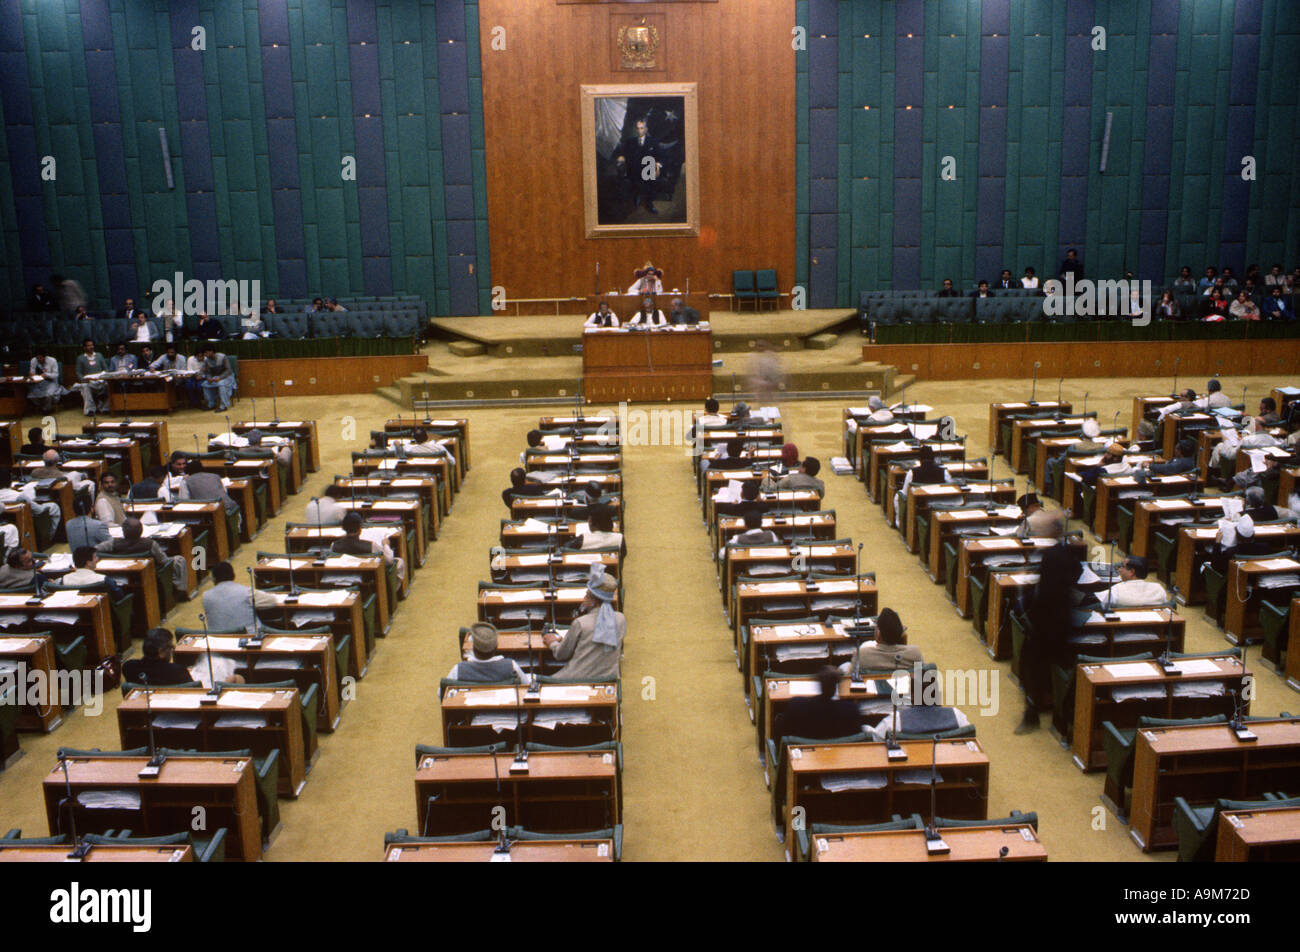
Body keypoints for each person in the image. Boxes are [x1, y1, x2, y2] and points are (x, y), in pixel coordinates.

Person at [1016, 543, 1084, 733]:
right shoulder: (1068, 587)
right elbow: (1077, 570)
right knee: (1059, 668)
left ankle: (1033, 713)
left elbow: (1026, 607)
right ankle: (1060, 713)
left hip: (1043, 630)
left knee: (1031, 669)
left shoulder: (1045, 586)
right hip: (1063, 629)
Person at [543, 567, 625, 680]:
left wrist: (552, 643)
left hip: (577, 678)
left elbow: (561, 654)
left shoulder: (580, 623)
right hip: (608, 678)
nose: (583, 599)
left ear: (593, 601)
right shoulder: (621, 619)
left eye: (586, 595)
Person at [96, 516, 189, 593]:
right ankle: (180, 591)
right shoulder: (150, 544)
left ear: (123, 532)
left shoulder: (113, 543)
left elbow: (96, 549)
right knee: (179, 559)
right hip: (152, 575)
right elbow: (164, 561)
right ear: (141, 530)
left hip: (123, 575)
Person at [773, 666, 862, 741]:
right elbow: (856, 738)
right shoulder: (851, 710)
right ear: (837, 686)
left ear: (819, 683)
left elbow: (784, 733)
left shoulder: (796, 705)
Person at [842, 608, 923, 674]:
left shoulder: (861, 654)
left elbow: (847, 679)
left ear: (878, 635)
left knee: (844, 666)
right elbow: (922, 679)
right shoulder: (915, 653)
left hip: (871, 693)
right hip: (902, 692)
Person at [202, 561, 276, 633]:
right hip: (248, 638)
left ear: (214, 579)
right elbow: (272, 601)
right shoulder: (246, 592)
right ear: (234, 575)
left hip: (218, 641)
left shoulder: (206, 596)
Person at [331, 511, 404, 582]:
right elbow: (389, 561)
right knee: (400, 561)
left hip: (344, 574)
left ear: (344, 528)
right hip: (370, 577)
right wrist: (386, 545)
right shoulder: (372, 545)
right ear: (360, 529)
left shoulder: (334, 545)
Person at [447, 622, 526, 683]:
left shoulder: (458, 669)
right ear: (496, 648)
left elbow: (442, 693)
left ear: (474, 649)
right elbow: (526, 685)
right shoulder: (512, 666)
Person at [615, 117, 661, 215]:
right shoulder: (630, 142)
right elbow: (624, 153)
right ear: (636, 129)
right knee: (633, 180)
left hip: (648, 169)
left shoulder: (653, 141)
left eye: (642, 128)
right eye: (638, 128)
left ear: (646, 129)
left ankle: (649, 204)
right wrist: (622, 157)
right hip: (634, 169)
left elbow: (659, 156)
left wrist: (657, 166)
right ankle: (635, 200)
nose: (640, 131)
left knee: (649, 175)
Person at [122, 628, 195, 687]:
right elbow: (195, 691)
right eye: (170, 647)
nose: (172, 649)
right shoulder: (178, 671)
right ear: (161, 652)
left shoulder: (129, 667)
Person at [181, 457, 241, 524]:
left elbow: (184, 502)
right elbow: (224, 492)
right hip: (232, 509)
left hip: (213, 516)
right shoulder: (216, 476)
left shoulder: (185, 481)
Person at [1099, 556, 1168, 609]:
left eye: (1123, 567)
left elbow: (1104, 607)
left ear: (1132, 572)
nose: (1119, 570)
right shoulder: (1158, 589)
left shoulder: (1116, 590)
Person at [74, 339, 110, 415]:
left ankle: (105, 408)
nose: (91, 347)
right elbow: (78, 372)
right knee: (85, 387)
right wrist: (83, 379)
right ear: (84, 348)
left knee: (109, 385)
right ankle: (90, 410)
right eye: (89, 345)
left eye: (92, 345)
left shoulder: (99, 355)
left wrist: (103, 376)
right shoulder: (80, 358)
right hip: (89, 382)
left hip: (100, 380)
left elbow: (106, 369)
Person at [27, 348, 66, 414]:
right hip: (38, 382)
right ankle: (42, 407)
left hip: (51, 381)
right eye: (37, 358)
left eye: (40, 358)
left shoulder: (52, 360)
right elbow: (32, 372)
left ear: (45, 357)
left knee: (48, 395)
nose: (39, 360)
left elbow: (56, 375)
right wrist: (31, 375)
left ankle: (46, 409)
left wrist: (46, 375)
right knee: (31, 395)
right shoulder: (33, 360)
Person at [198, 344, 235, 411]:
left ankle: (223, 406)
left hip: (227, 377)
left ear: (211, 351)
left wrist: (220, 377)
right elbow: (208, 372)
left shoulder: (223, 357)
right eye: (204, 353)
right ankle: (211, 404)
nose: (205, 354)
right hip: (215, 378)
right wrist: (208, 378)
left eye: (206, 352)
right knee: (205, 384)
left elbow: (228, 370)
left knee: (221, 384)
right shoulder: (207, 360)